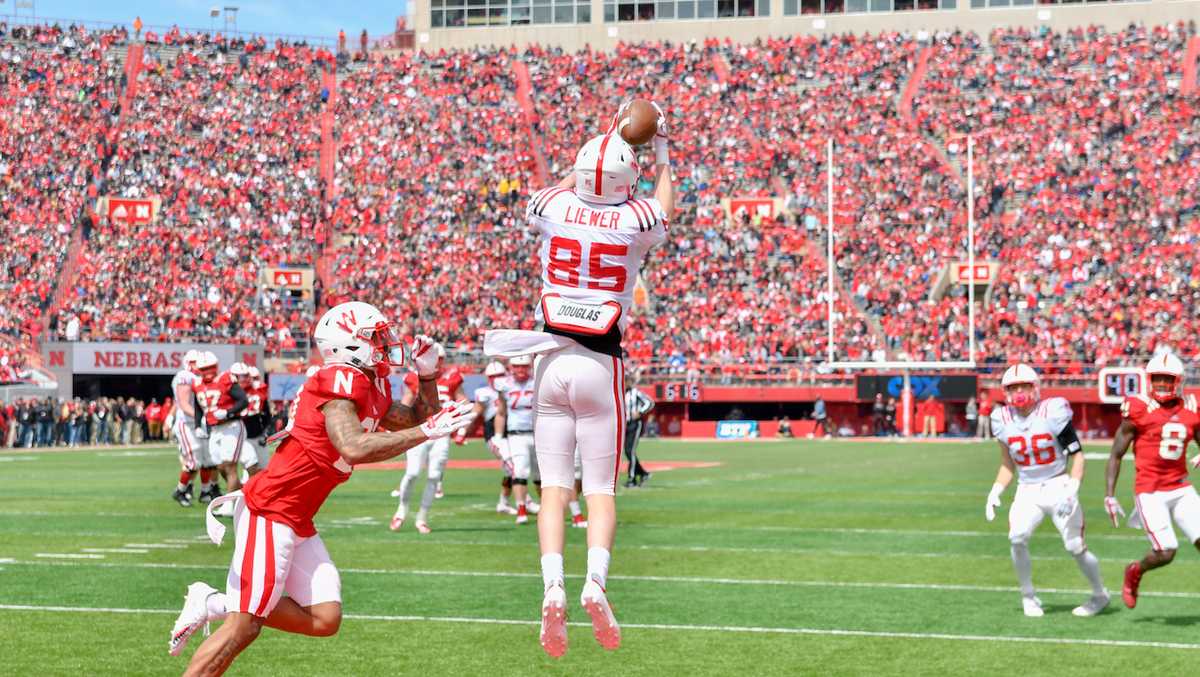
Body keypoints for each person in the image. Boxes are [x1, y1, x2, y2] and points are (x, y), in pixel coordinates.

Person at [168, 302, 474, 674]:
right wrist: (427, 431)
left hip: (297, 517)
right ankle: (225, 607)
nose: (386, 342)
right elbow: (353, 445)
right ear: (348, 345)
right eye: (375, 337)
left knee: (325, 618)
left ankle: (215, 601)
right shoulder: (341, 378)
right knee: (243, 628)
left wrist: (427, 378)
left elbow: (411, 419)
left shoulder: (368, 383)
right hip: (271, 510)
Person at [483, 102, 673, 658]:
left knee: (554, 491)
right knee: (602, 490)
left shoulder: (553, 205)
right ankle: (595, 581)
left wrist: (598, 147)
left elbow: (559, 188)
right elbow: (662, 207)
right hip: (599, 363)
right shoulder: (634, 217)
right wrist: (659, 153)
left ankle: (551, 586)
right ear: (626, 178)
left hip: (548, 361)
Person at [985, 364, 1108, 617]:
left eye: (1024, 386)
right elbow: (1007, 464)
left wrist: (1072, 488)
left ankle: (1100, 594)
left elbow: (1078, 456)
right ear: (1005, 391)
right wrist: (996, 490)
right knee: (1016, 537)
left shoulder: (1052, 412)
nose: (1019, 392)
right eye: (1013, 387)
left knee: (1075, 546)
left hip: (1057, 483)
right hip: (1027, 488)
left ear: (1035, 388)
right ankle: (1028, 596)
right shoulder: (1001, 419)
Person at [1103, 353, 1200, 609]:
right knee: (1166, 551)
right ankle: (1135, 571)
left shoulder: (1192, 407)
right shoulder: (1138, 408)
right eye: (1157, 379)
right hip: (1150, 491)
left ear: (1179, 381)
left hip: (1181, 486)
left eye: (1167, 379)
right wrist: (1110, 495)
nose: (1161, 384)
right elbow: (1116, 454)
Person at [389, 345, 468, 533]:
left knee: (434, 476)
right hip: (420, 431)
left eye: (439, 358)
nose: (437, 362)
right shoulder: (414, 378)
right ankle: (401, 510)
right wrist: (396, 428)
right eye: (434, 358)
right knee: (413, 473)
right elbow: (406, 403)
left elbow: (463, 401)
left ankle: (422, 518)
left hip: (441, 435)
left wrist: (461, 427)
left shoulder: (452, 378)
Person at [193, 354, 252, 516]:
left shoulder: (225, 379)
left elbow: (243, 401)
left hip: (231, 426)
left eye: (210, 368)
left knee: (230, 466)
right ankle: (246, 496)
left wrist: (227, 412)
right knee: (219, 466)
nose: (207, 372)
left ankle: (228, 506)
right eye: (204, 369)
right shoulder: (197, 384)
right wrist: (198, 425)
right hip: (215, 429)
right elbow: (197, 406)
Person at [492, 354, 540, 525]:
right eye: (517, 366)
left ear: (529, 366)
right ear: (511, 367)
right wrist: (498, 436)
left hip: (537, 434)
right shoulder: (504, 384)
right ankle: (521, 509)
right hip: (516, 435)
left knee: (540, 475)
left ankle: (547, 509)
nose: (521, 370)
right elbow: (501, 412)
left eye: (524, 366)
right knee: (520, 472)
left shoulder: (538, 382)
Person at [171, 350, 215, 507]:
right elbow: (183, 404)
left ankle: (205, 491)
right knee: (193, 461)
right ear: (190, 363)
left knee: (208, 460)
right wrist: (203, 417)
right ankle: (180, 490)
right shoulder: (185, 376)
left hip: (201, 423)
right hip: (188, 424)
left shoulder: (200, 378)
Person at [473, 360, 517, 515]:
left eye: (499, 375)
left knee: (510, 470)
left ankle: (503, 503)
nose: (496, 379)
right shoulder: (483, 393)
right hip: (494, 434)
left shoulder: (513, 387)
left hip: (512, 431)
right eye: (493, 376)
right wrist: (461, 432)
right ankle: (525, 501)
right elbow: (475, 413)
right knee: (514, 467)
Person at [623, 372, 654, 488]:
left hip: (635, 424)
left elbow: (650, 402)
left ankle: (632, 479)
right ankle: (643, 473)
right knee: (627, 451)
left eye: (625, 380)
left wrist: (640, 412)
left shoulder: (635, 392)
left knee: (630, 451)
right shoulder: (620, 393)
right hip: (625, 424)